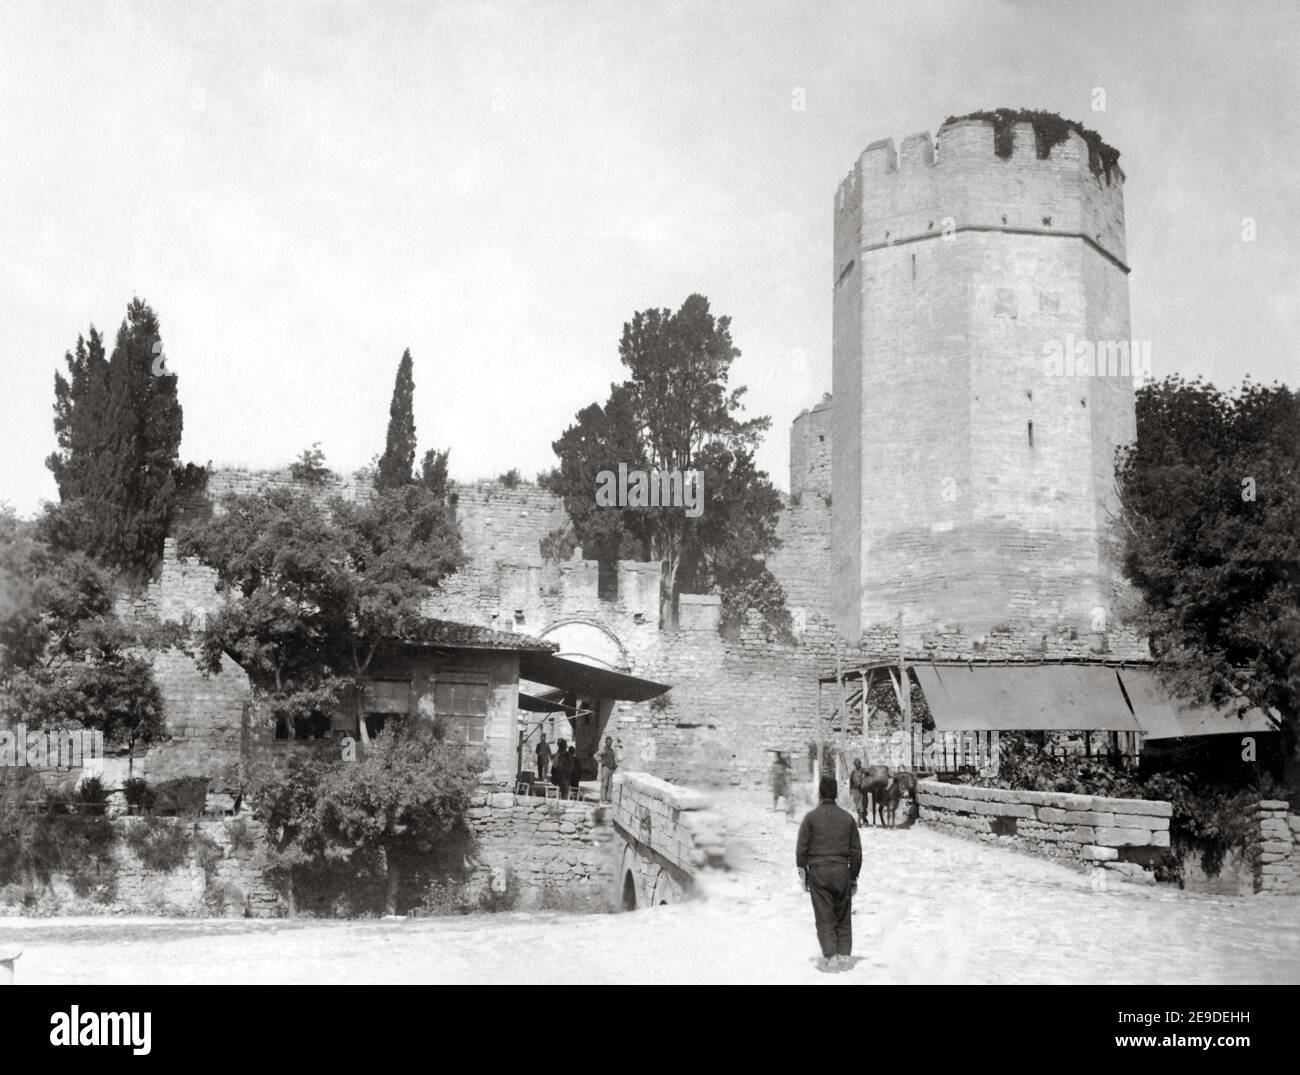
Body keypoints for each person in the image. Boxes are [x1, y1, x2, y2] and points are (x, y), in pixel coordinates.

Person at [795, 775, 862, 972]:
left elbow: (801, 851)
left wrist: (803, 876)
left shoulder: (810, 818)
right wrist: (853, 877)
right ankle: (843, 956)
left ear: (820, 794)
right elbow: (856, 852)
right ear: (836, 794)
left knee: (824, 915)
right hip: (842, 871)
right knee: (843, 914)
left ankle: (830, 957)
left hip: (819, 873)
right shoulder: (847, 818)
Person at [849, 758, 869, 827]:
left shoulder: (863, 771)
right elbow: (850, 781)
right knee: (858, 806)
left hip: (862, 791)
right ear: (854, 764)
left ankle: (858, 822)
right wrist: (851, 790)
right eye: (856, 764)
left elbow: (866, 780)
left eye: (858, 764)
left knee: (862, 806)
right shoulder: (853, 772)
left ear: (860, 764)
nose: (857, 765)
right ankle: (864, 820)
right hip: (855, 790)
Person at [598, 736, 618, 802]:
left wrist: (615, 765)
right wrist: (602, 761)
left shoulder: (612, 751)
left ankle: (608, 798)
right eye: (608, 742)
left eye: (611, 742)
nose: (610, 743)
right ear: (606, 742)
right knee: (604, 784)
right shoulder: (603, 750)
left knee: (610, 785)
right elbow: (596, 755)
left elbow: (612, 759)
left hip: (611, 769)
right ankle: (603, 799)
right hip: (605, 768)